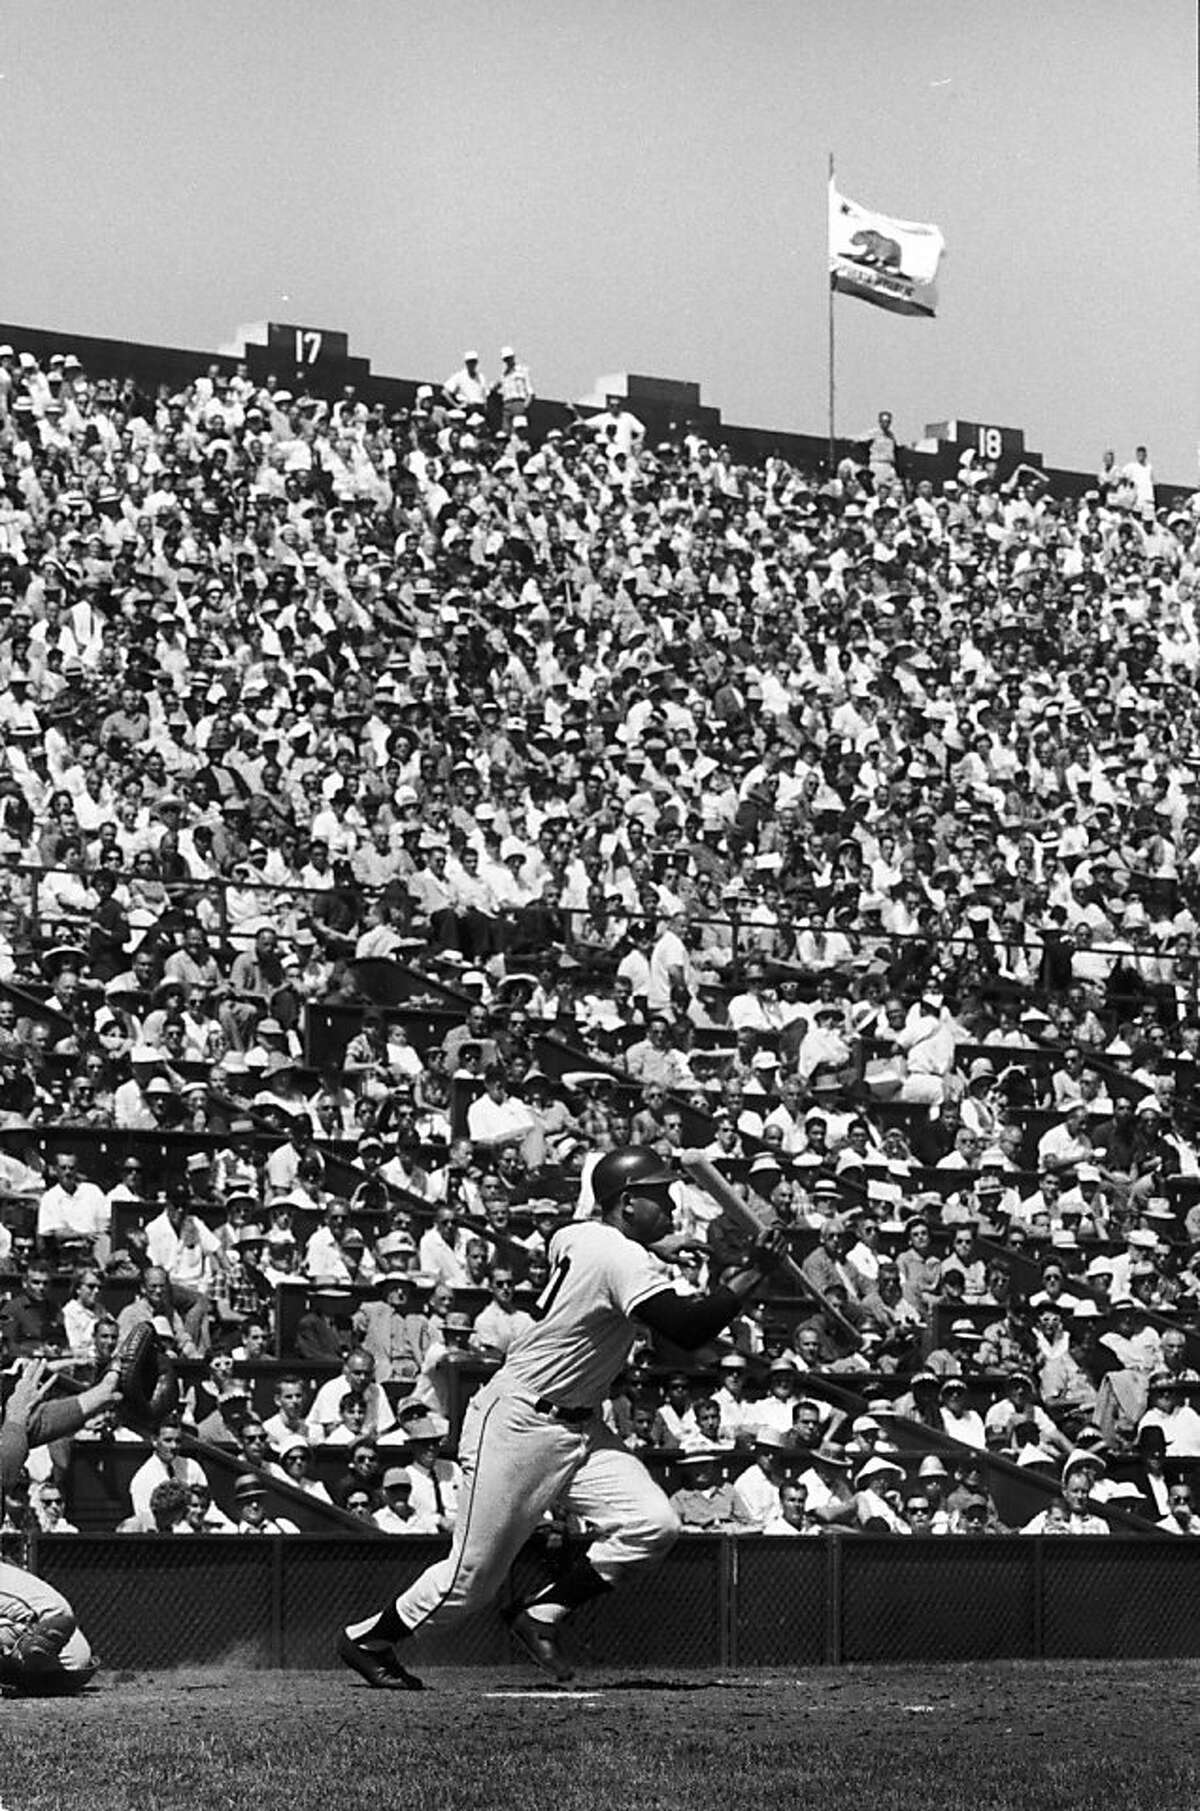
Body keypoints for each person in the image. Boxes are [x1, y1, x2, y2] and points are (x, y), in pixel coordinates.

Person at [337, 1145, 787, 1689]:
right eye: (658, 1199)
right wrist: (750, 1273)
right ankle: (367, 1639)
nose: (671, 1208)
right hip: (519, 1421)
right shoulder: (619, 1257)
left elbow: (604, 1237)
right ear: (625, 1204)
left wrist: (658, 1242)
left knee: (652, 1523)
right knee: (472, 1579)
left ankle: (541, 1613)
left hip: (578, 1425)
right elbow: (687, 1331)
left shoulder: (579, 1234)